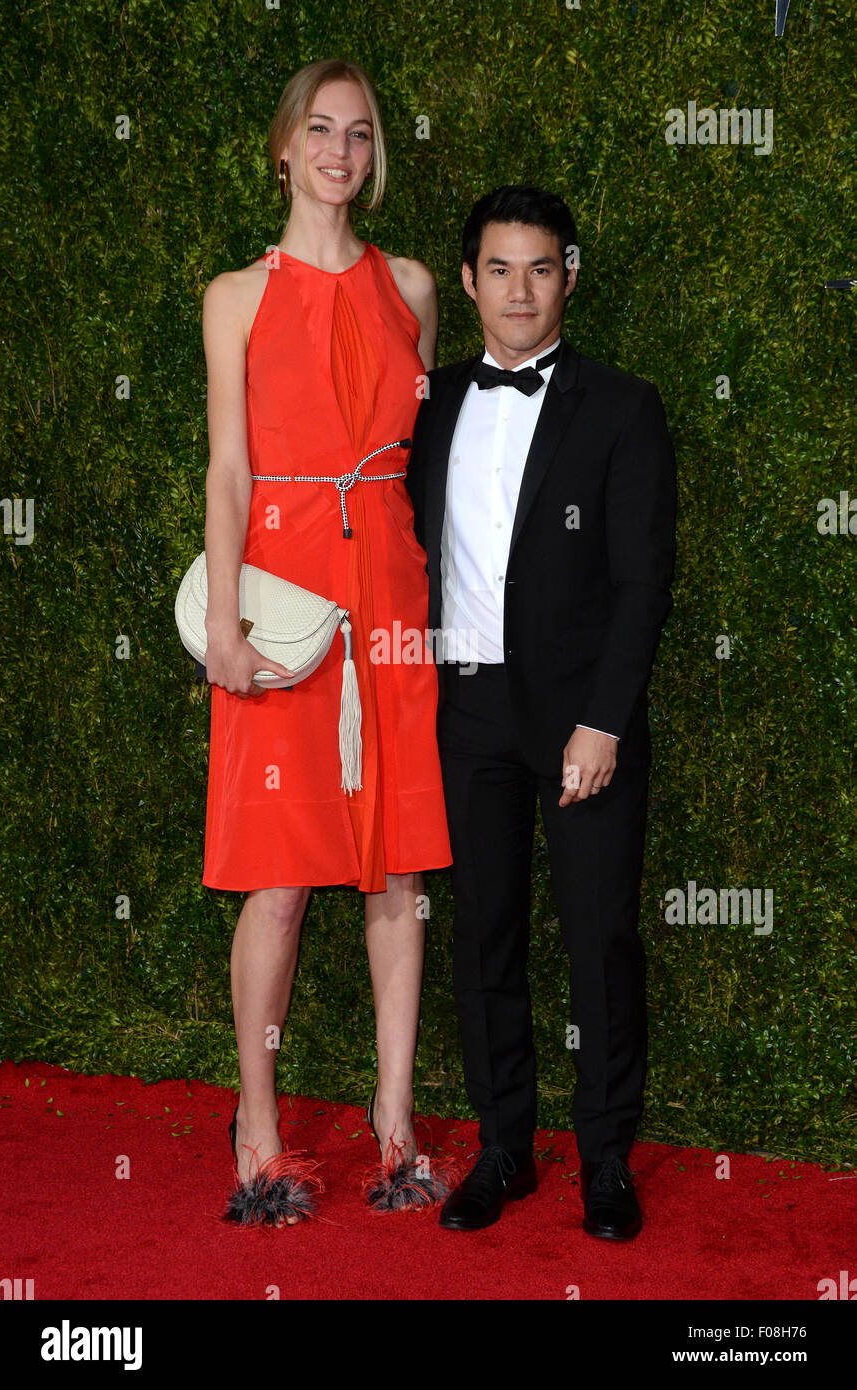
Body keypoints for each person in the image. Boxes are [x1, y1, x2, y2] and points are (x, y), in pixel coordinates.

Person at [200, 58, 453, 1226]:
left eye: (358, 134)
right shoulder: (235, 298)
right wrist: (221, 625)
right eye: (320, 130)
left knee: (397, 869)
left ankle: (393, 1125)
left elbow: (418, 461)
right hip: (283, 602)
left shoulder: (408, 283)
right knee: (279, 879)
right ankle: (256, 1125)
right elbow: (229, 467)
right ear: (283, 147)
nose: (341, 152)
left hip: (390, 602)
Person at [405, 185, 677, 1240]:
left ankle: (606, 1160)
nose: (520, 290)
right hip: (465, 710)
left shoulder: (622, 405)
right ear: (468, 280)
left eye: (541, 268)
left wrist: (603, 720)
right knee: (484, 938)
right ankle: (504, 1149)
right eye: (499, 269)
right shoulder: (426, 403)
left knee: (600, 938)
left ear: (569, 276)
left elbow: (643, 579)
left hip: (579, 719)